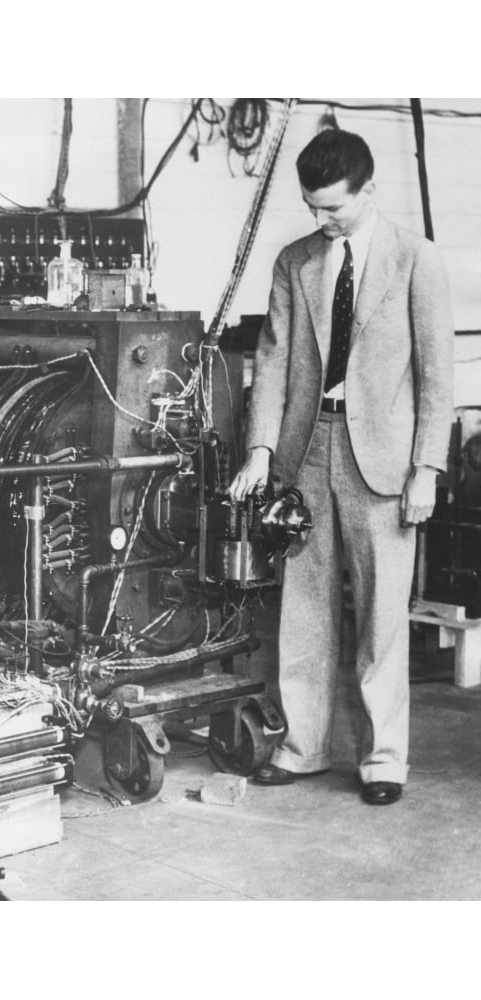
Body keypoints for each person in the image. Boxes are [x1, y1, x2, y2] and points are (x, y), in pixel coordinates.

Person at [228, 128, 454, 806]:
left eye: (333, 209)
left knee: (382, 619)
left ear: (368, 190)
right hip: (308, 451)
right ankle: (303, 748)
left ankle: (384, 761)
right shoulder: (295, 262)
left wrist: (427, 469)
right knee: (303, 613)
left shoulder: (417, 259)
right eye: (312, 207)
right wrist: (262, 450)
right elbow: (270, 362)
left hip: (384, 464)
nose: (321, 221)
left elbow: (437, 377)